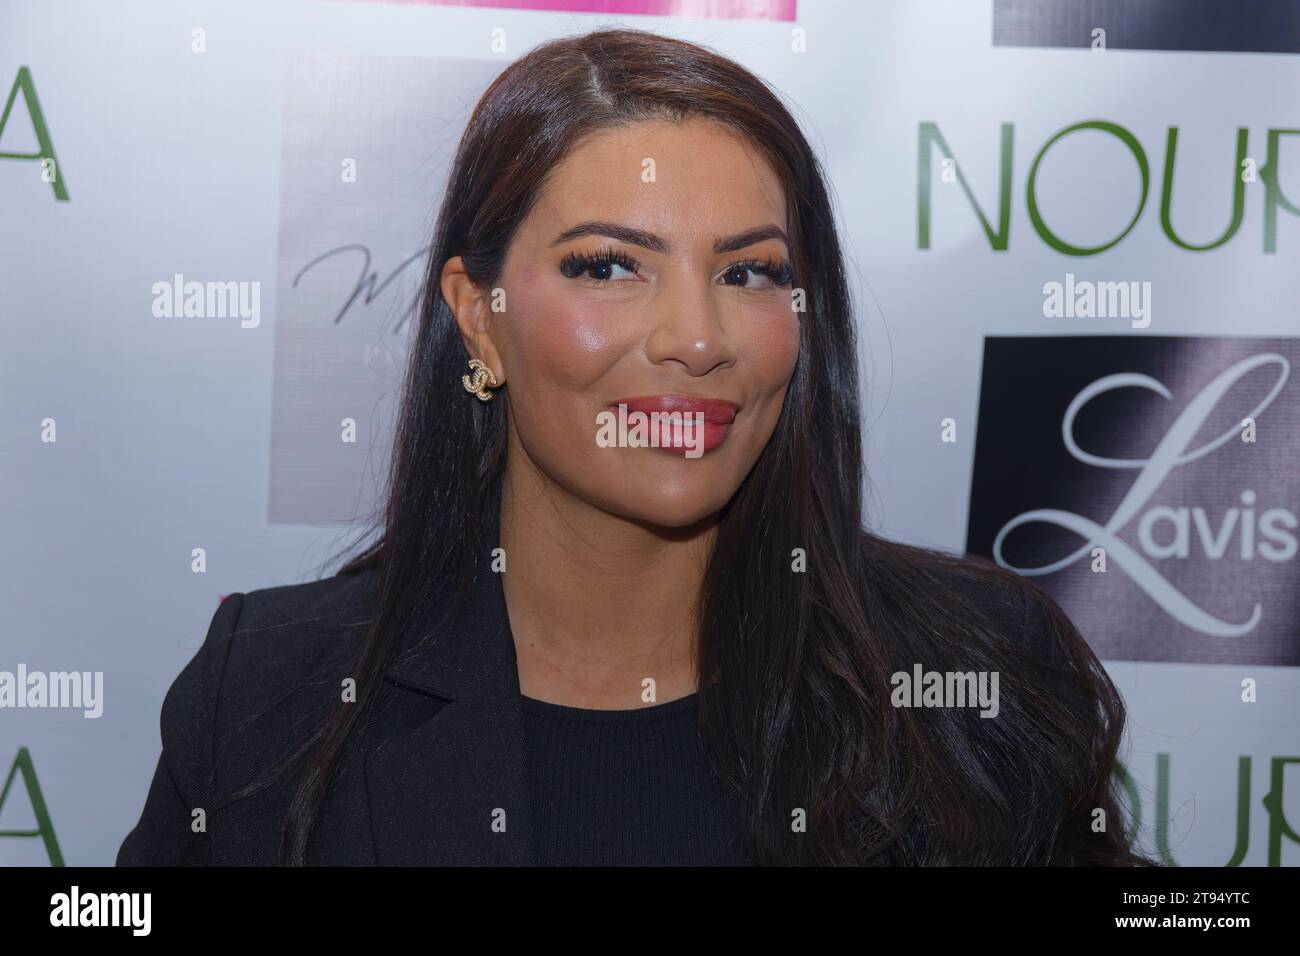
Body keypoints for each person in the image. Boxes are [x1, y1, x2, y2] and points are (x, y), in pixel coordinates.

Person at [117, 27, 1151, 867]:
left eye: (747, 272)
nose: (695, 338)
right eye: (609, 266)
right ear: (480, 317)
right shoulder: (272, 691)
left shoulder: (978, 674)